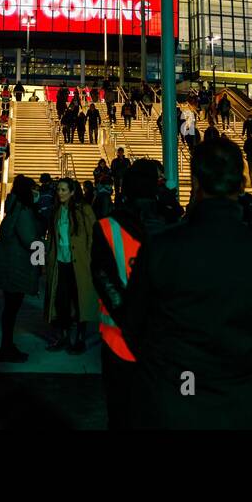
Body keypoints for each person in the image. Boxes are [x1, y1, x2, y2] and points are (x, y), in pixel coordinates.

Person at [121, 139, 252, 428]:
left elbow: (133, 324)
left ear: (195, 182)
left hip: (171, 394)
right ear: (241, 184)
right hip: (235, 399)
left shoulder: (162, 248)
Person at [90, 158, 182, 428]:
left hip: (118, 340)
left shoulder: (107, 227)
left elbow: (103, 280)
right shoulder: (175, 229)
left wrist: (130, 322)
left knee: (121, 414)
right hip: (163, 340)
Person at [0, 175, 44, 362]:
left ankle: (7, 346)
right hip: (17, 266)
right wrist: (42, 257)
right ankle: (6, 348)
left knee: (9, 308)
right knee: (11, 309)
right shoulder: (23, 210)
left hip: (9, 265)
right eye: (33, 189)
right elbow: (31, 240)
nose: (36, 193)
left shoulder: (13, 206)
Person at [44, 177, 99, 354]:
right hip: (60, 262)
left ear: (72, 192)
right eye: (58, 190)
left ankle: (80, 338)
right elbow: (52, 237)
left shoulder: (84, 210)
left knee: (80, 300)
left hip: (80, 263)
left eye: (63, 190)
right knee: (62, 302)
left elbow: (93, 235)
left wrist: (92, 259)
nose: (60, 193)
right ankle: (65, 335)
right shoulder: (56, 210)